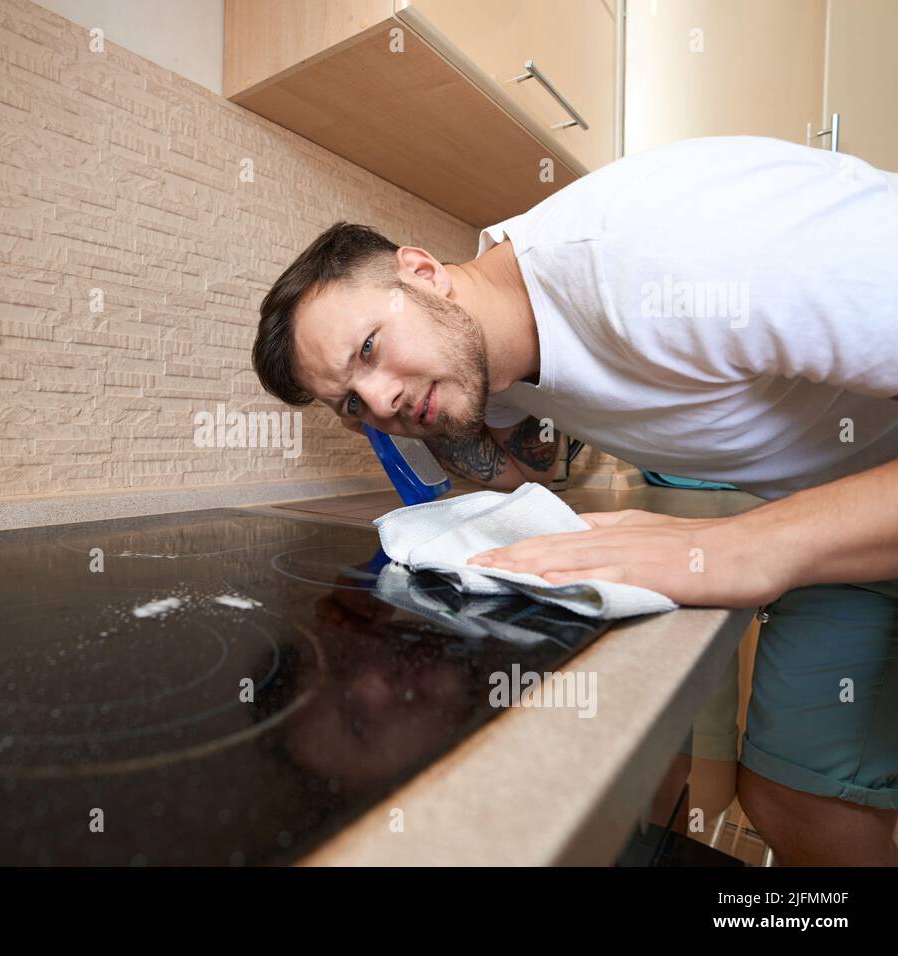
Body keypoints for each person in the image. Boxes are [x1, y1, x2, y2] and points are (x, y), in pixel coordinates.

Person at [249, 135, 898, 866]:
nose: (379, 399)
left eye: (368, 348)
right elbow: (518, 471)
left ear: (424, 272)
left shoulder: (674, 245)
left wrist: (744, 546)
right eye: (351, 406)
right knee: (796, 803)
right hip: (849, 512)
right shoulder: (496, 342)